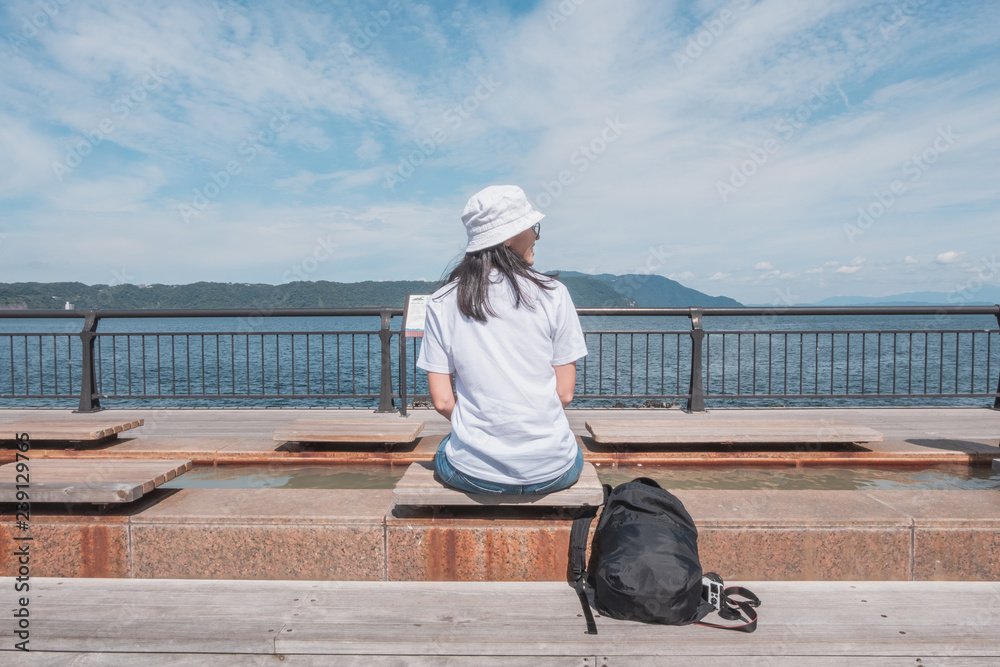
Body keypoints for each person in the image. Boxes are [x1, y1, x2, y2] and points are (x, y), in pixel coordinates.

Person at [416, 185, 588, 495]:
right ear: (507, 237)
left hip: (475, 473)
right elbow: (564, 394)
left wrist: (482, 433)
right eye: (532, 228)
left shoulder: (442, 302)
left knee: (446, 448)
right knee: (571, 453)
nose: (536, 236)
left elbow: (442, 401)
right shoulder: (554, 295)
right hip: (552, 470)